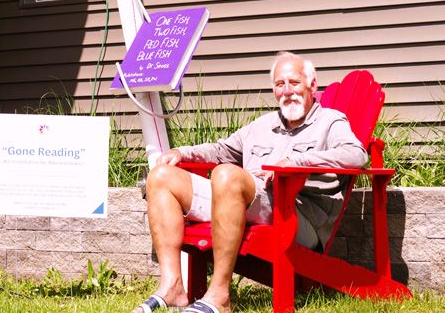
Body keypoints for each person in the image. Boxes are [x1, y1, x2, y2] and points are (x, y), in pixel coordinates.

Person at [134, 52, 367, 313]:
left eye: (295, 82)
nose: (287, 91)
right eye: (280, 84)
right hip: (247, 200)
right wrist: (182, 153)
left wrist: (297, 161)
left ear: (312, 85)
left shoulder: (330, 122)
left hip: (297, 215)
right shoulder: (262, 125)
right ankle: (172, 286)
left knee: (226, 174)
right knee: (160, 177)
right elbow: (221, 150)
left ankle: (220, 296)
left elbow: (356, 155)